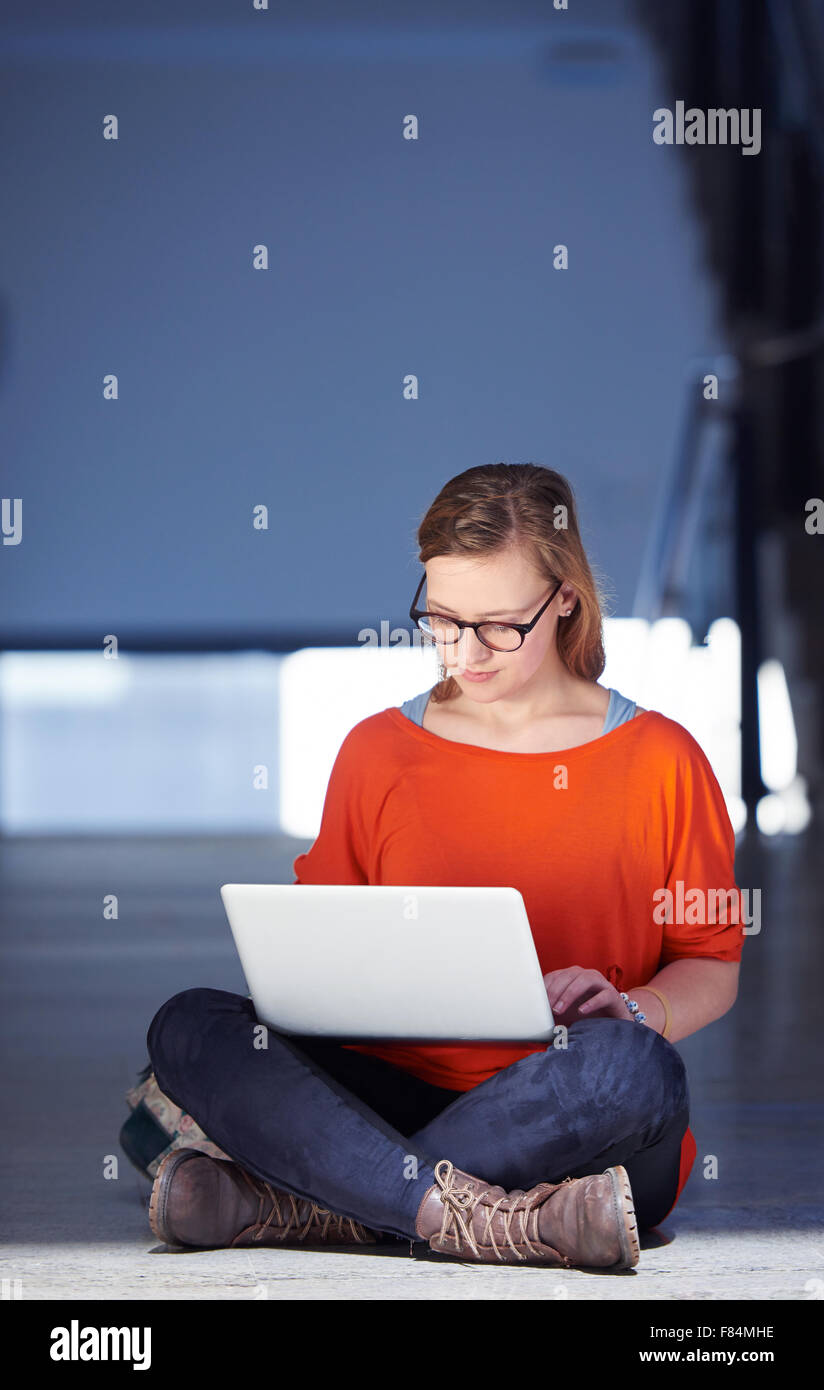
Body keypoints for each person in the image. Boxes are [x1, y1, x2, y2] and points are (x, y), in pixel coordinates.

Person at [145, 462, 745, 1268]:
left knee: (636, 1072)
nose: (467, 652)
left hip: (567, 1104)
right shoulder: (378, 752)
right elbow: (314, 958)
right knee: (190, 1026)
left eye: (500, 625)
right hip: (390, 1094)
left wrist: (633, 1011)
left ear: (565, 597)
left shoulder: (662, 759)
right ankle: (488, 1218)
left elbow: (710, 965)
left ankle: (315, 1201)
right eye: (444, 619)